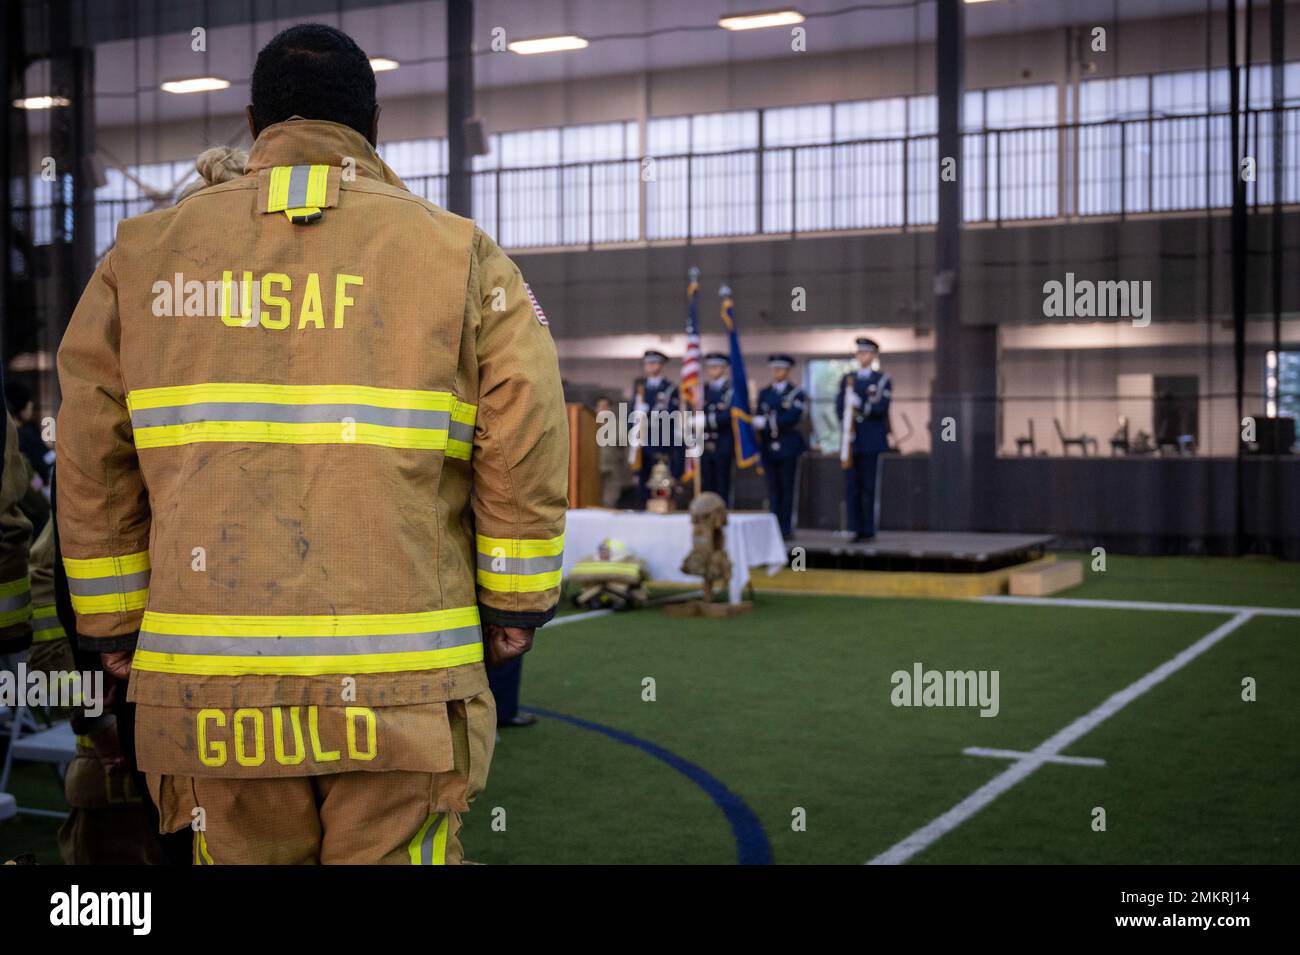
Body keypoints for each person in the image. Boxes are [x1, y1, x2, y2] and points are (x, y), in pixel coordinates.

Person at [55, 22, 568, 865]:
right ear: (373, 129)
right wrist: (514, 603)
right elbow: (527, 431)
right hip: (404, 682)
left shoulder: (140, 260)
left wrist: (111, 620)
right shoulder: (462, 256)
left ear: (254, 122)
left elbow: (88, 448)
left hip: (214, 684)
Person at [836, 336, 893, 542]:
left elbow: (881, 408)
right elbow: (839, 407)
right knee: (852, 487)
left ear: (874, 355)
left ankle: (868, 529)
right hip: (852, 441)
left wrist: (861, 405)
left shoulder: (882, 380)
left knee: (869, 487)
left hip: (871, 440)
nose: (862, 356)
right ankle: (854, 527)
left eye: (866, 352)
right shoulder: (848, 379)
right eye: (859, 352)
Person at [753, 355, 806, 541]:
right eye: (774, 369)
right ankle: (773, 526)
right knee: (773, 489)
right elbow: (758, 415)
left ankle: (786, 527)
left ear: (788, 371)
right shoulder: (765, 393)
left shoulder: (796, 393)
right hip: (768, 448)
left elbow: (791, 417)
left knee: (787, 487)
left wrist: (766, 423)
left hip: (788, 446)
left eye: (781, 369)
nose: (777, 372)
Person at [631, 349, 680, 508]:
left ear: (661, 365)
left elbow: (672, 415)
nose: (651, 366)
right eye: (648, 363)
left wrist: (650, 413)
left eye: (654, 363)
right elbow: (631, 414)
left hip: (661, 439)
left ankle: (660, 508)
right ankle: (642, 508)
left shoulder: (669, 388)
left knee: (660, 479)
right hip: (642, 440)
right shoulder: (640, 388)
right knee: (642, 479)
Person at [699, 353, 734, 505]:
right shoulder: (702, 390)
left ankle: (722, 517)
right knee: (706, 483)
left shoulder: (730, 390)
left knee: (722, 483)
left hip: (723, 443)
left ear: (724, 368)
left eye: (717, 366)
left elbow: (729, 415)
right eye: (711, 366)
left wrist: (705, 420)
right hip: (704, 443)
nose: (713, 369)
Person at [594, 396, 627, 508]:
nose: (603, 410)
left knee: (609, 502)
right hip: (592, 470)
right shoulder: (588, 425)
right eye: (601, 407)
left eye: (606, 407)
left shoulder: (619, 427)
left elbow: (625, 451)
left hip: (613, 469)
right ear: (596, 409)